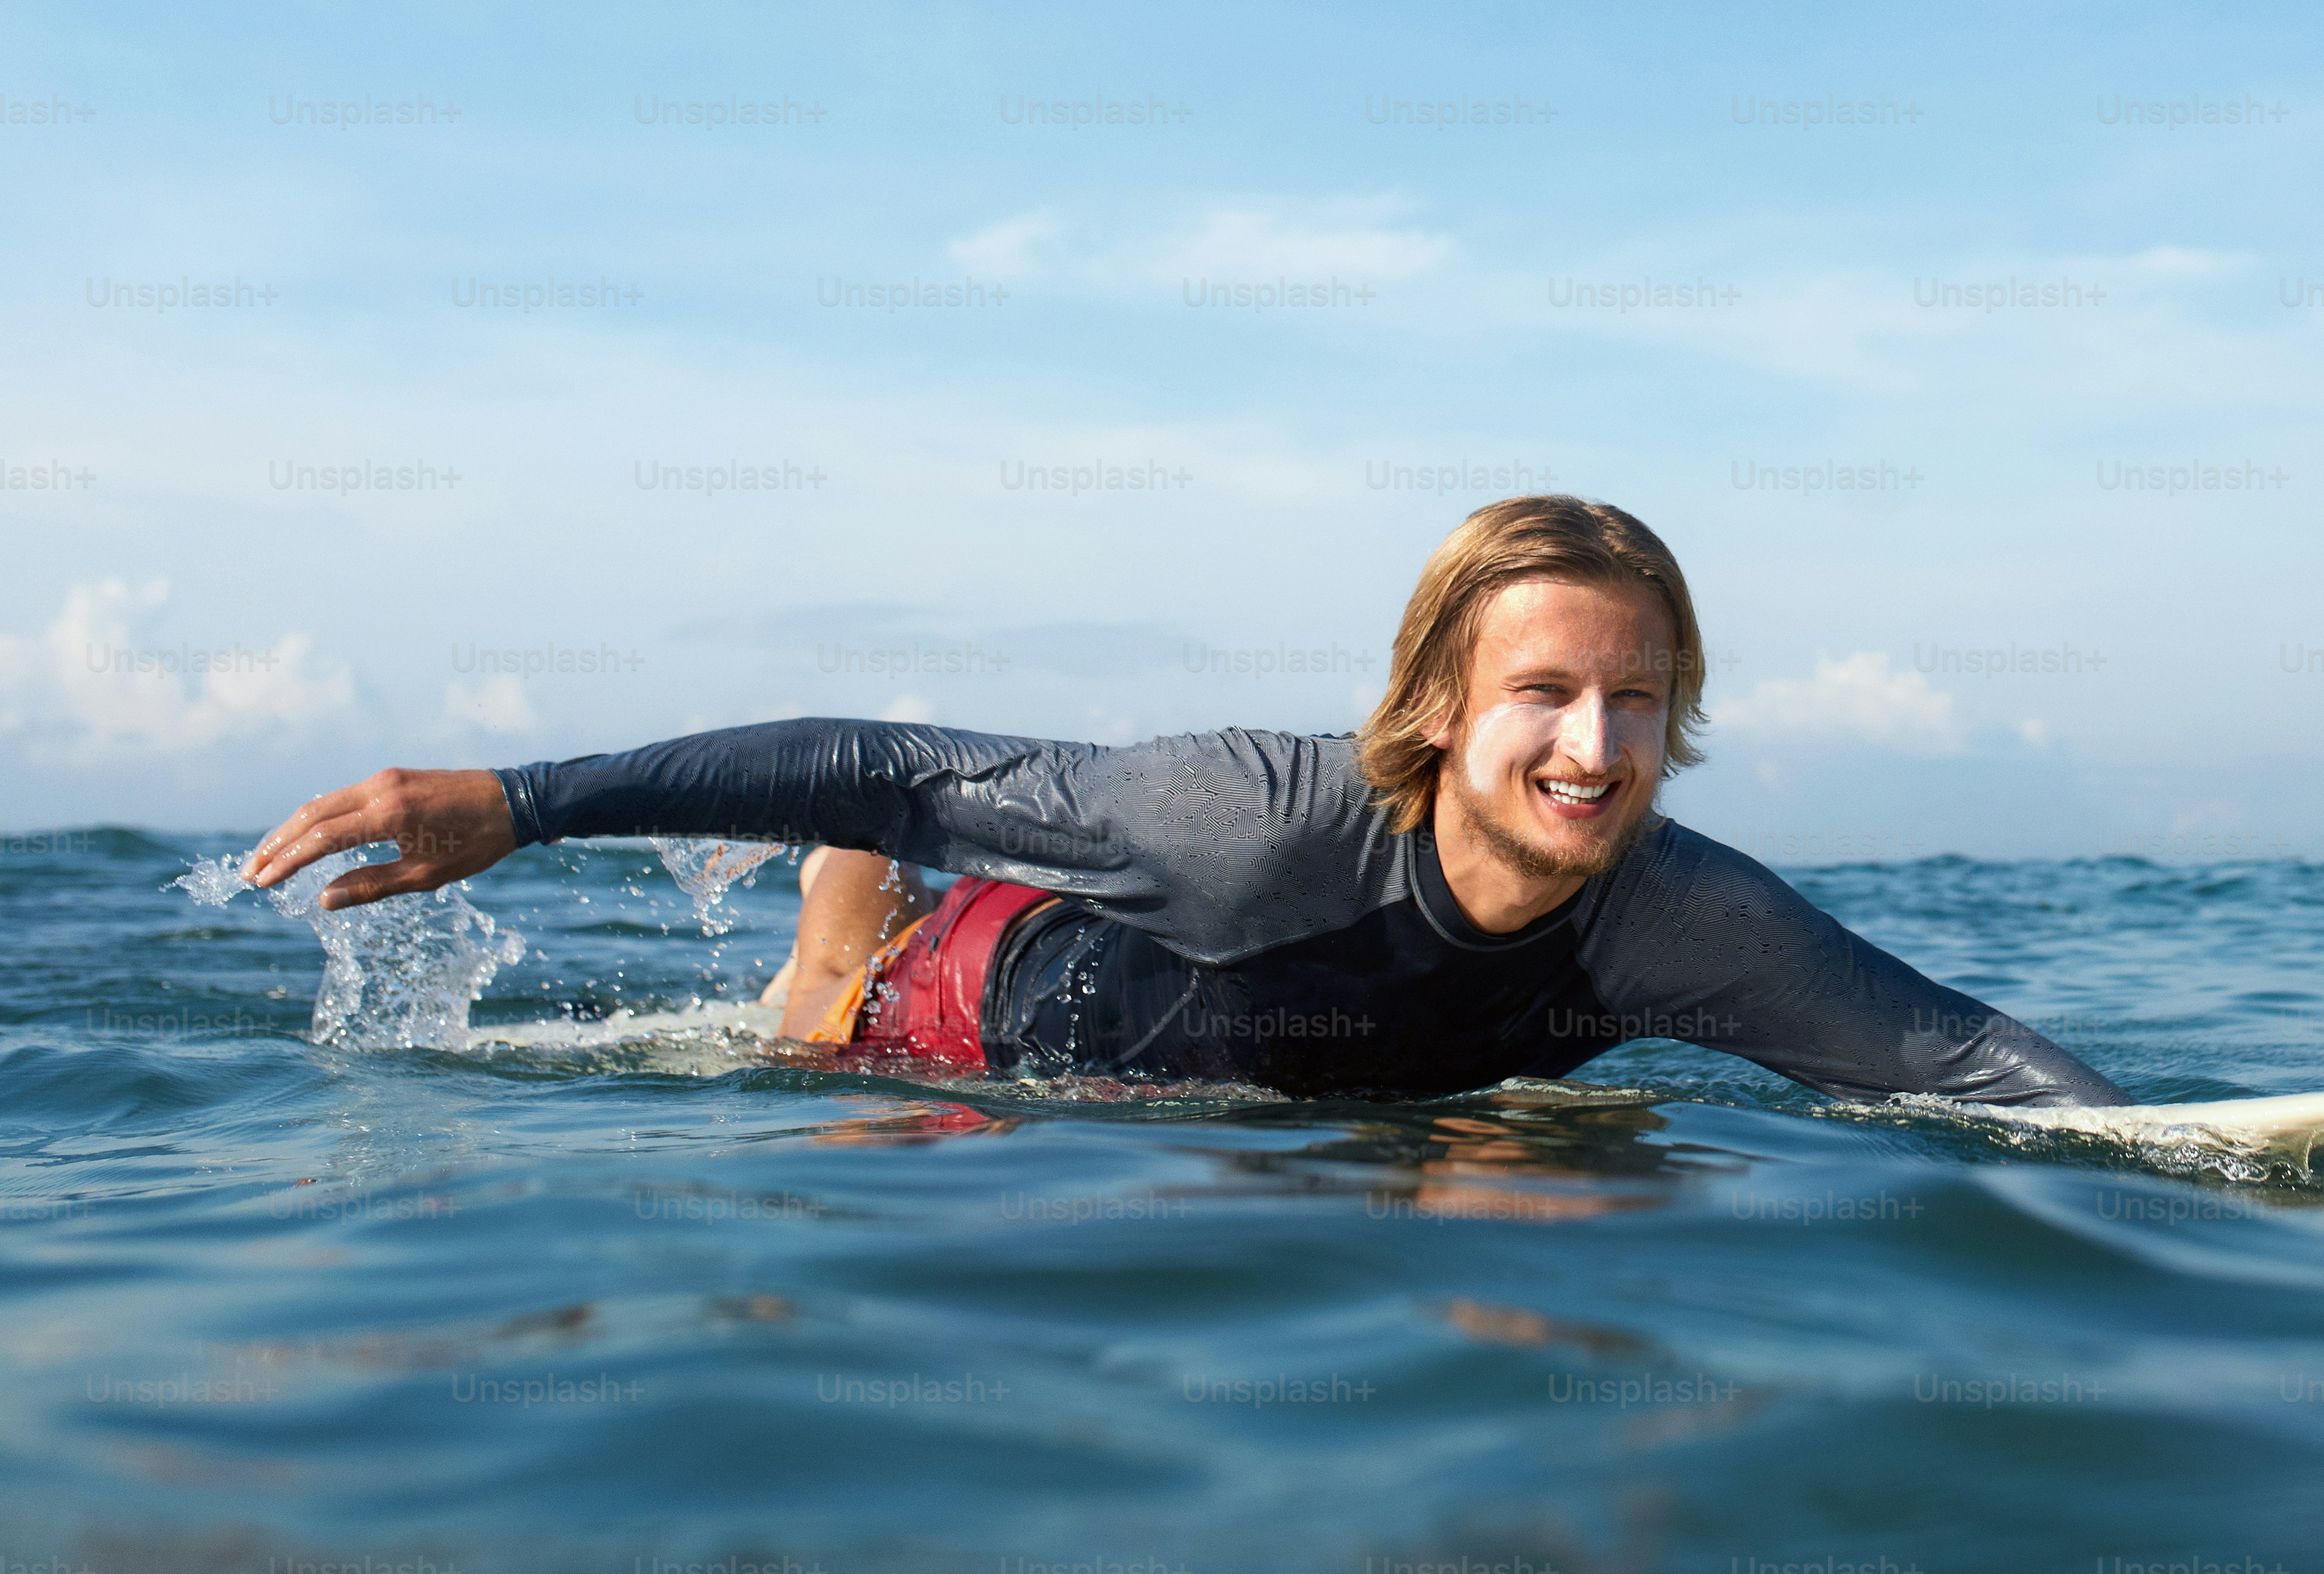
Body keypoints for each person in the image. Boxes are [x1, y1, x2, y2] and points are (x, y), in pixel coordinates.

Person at [247, 497, 2125, 1109]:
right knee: (827, 1082)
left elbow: (1953, 1059)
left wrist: (2239, 1173)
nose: (1594, 747)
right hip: (994, 1016)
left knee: (1538, 1184)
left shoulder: (1677, 913)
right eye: (1545, 693)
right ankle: (846, 924)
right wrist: (521, 798)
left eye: (1641, 701)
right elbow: (879, 760)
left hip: (1306, 1093)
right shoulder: (1247, 814)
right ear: (1435, 709)